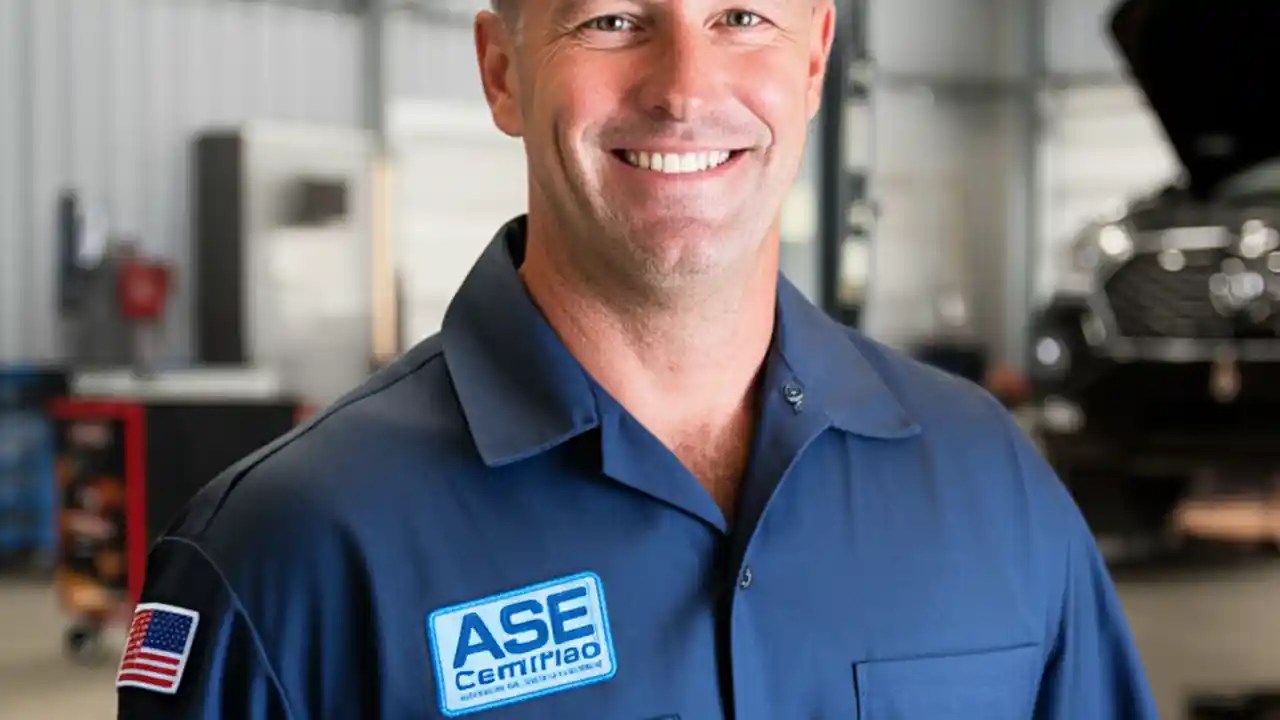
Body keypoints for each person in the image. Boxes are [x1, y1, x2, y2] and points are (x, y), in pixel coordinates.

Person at [118, 0, 1158, 717]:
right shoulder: (288, 552)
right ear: (500, 70)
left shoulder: (991, 487)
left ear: (811, 59)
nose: (683, 87)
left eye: (740, 17)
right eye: (613, 18)